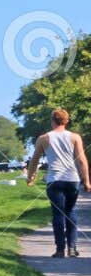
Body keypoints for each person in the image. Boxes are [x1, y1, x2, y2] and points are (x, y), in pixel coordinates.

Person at [26, 108, 91, 258]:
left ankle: (60, 250)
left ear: (52, 120)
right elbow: (82, 160)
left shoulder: (44, 138)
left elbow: (34, 159)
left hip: (54, 181)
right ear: (66, 121)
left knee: (57, 214)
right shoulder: (75, 137)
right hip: (72, 180)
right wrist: (87, 181)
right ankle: (72, 248)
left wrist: (31, 177)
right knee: (70, 212)